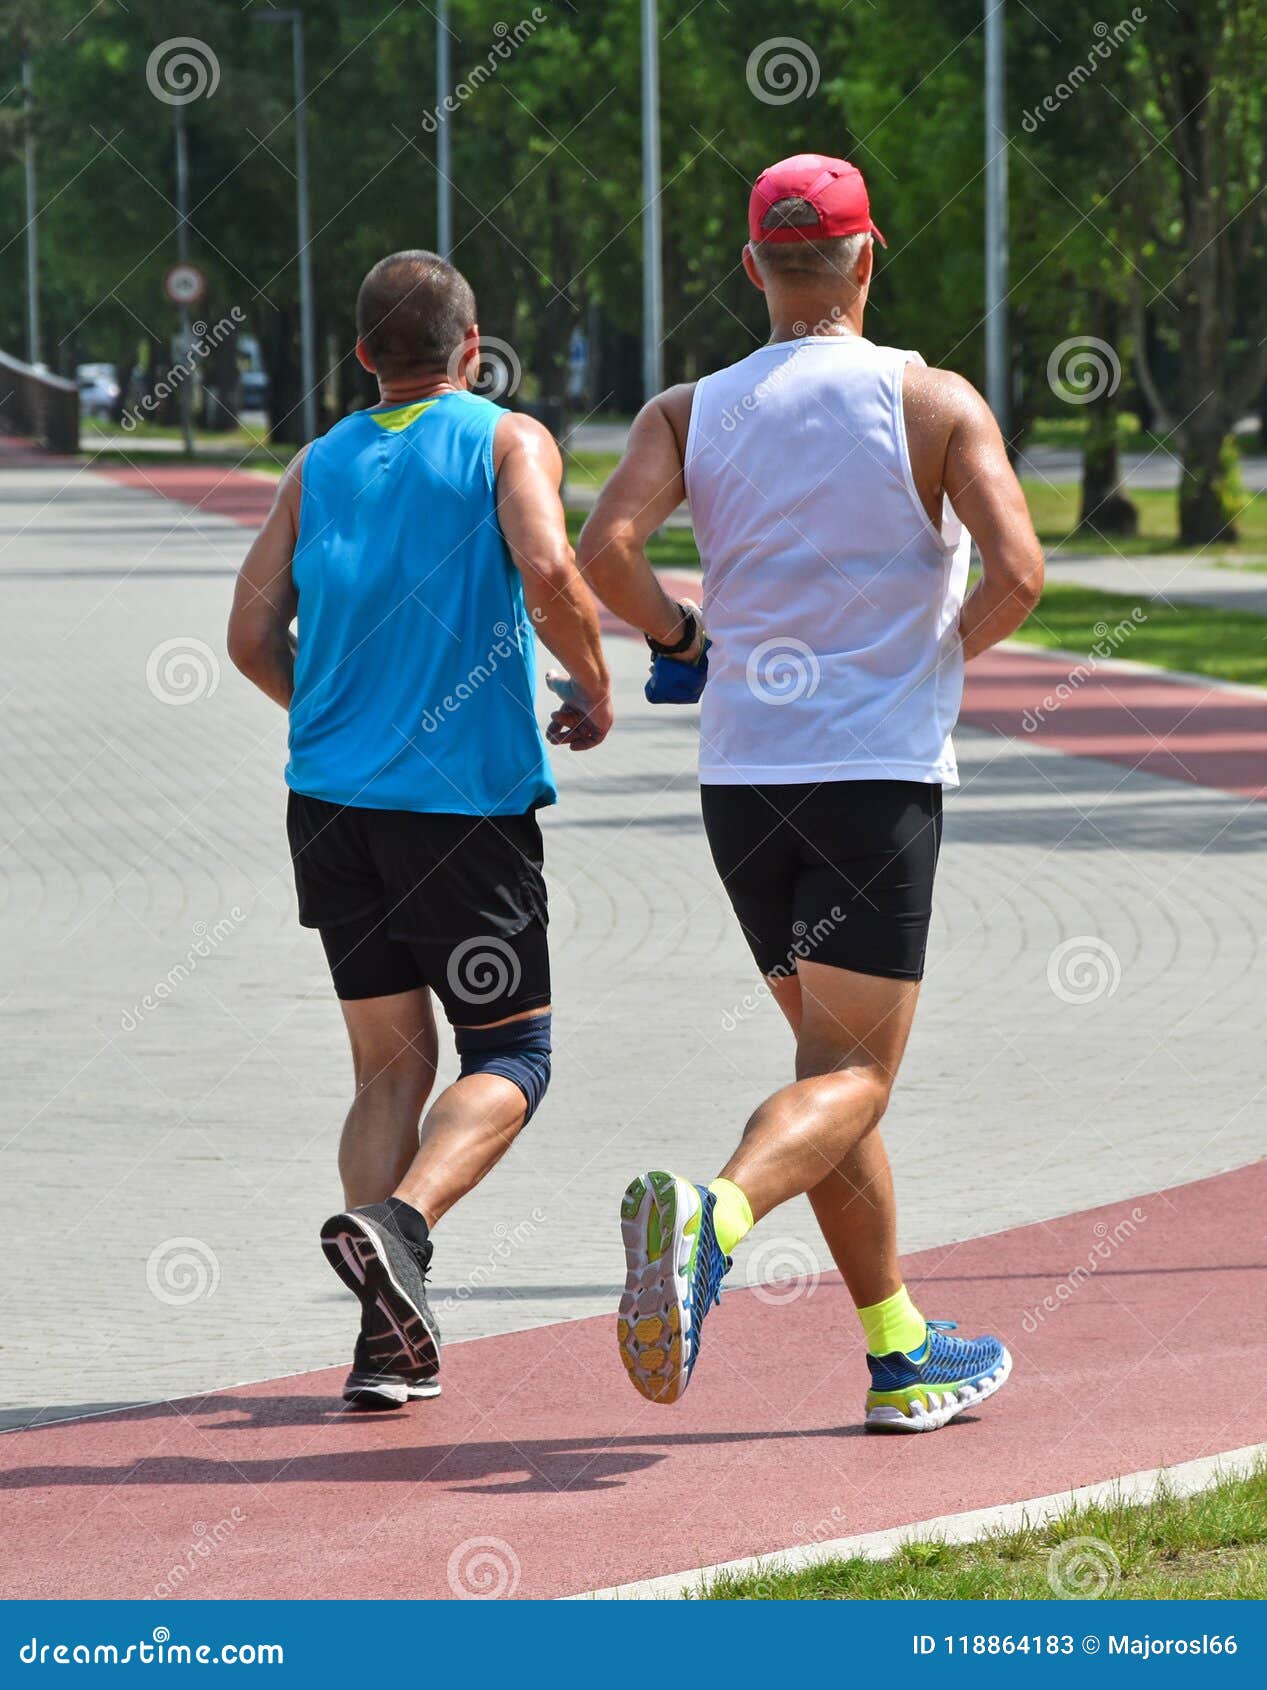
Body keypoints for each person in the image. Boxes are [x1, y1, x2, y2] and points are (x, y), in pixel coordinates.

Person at [579, 155, 1044, 1432]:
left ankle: (899, 1353)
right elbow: (1018, 570)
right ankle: (714, 1218)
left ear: (751, 267)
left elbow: (600, 553)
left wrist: (680, 638)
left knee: (823, 1071)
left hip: (743, 787)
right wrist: (929, 656)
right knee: (855, 1080)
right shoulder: (932, 400)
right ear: (867, 257)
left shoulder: (687, 410)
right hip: (873, 777)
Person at [227, 250, 611, 1408]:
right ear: (471, 346)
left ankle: (385, 1345)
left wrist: (344, 719)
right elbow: (547, 563)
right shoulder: (505, 439)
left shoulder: (317, 462)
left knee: (388, 1064)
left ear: (360, 356)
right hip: (461, 815)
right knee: (514, 1055)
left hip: (330, 807)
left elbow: (250, 635)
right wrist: (591, 683)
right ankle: (401, 1224)